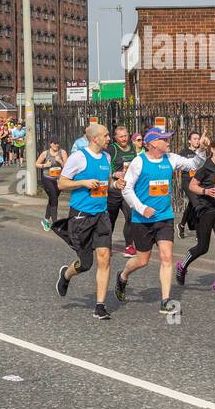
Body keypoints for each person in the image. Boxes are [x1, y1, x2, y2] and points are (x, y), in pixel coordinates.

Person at [115, 128, 210, 315]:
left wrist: (202, 150)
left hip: (165, 217)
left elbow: (194, 164)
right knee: (142, 260)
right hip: (142, 219)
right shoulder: (139, 162)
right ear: (152, 143)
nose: (168, 141)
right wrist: (142, 208)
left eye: (168, 138)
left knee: (167, 258)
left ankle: (165, 300)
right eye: (164, 139)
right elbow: (126, 189)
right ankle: (123, 276)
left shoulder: (171, 158)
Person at [54, 123, 115, 320]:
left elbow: (106, 184)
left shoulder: (106, 157)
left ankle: (100, 306)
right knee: (86, 264)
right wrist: (83, 182)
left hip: (102, 215)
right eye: (106, 135)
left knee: (104, 258)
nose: (109, 138)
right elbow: (61, 183)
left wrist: (116, 183)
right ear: (95, 138)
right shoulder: (79, 157)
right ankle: (66, 275)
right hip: (81, 216)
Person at [175, 136, 215, 293]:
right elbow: (192, 186)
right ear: (213, 149)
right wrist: (206, 191)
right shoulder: (206, 166)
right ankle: (182, 265)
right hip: (205, 209)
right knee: (203, 247)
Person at [108, 125, 141, 256]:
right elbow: (105, 165)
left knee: (130, 217)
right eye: (121, 136)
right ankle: (106, 244)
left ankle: (128, 246)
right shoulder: (112, 149)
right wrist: (114, 174)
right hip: (115, 189)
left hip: (128, 189)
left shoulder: (132, 148)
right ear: (115, 138)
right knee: (111, 218)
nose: (124, 139)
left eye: (126, 136)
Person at [176, 131, 203, 239]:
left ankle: (181, 225)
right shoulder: (184, 152)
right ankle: (199, 231)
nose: (197, 141)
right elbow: (182, 167)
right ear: (189, 141)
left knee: (192, 204)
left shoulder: (202, 152)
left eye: (198, 138)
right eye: (195, 139)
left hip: (198, 182)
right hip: (187, 181)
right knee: (197, 204)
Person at [37, 140, 67, 231]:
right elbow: (37, 164)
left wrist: (60, 161)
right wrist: (45, 165)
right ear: (50, 144)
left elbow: (68, 166)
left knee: (53, 199)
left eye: (57, 143)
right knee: (54, 198)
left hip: (58, 180)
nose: (56, 145)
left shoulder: (63, 152)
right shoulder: (45, 153)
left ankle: (46, 220)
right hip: (47, 179)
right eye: (54, 143)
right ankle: (55, 223)